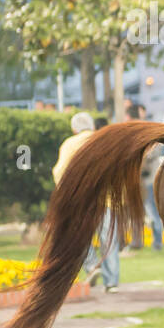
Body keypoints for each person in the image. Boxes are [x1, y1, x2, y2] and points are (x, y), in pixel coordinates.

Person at [53, 112, 119, 292]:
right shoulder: (105, 141)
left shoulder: (69, 144)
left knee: (79, 239)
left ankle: (91, 266)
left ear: (74, 128)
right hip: (105, 199)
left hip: (80, 201)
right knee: (109, 241)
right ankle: (111, 282)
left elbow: (60, 172)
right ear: (93, 126)